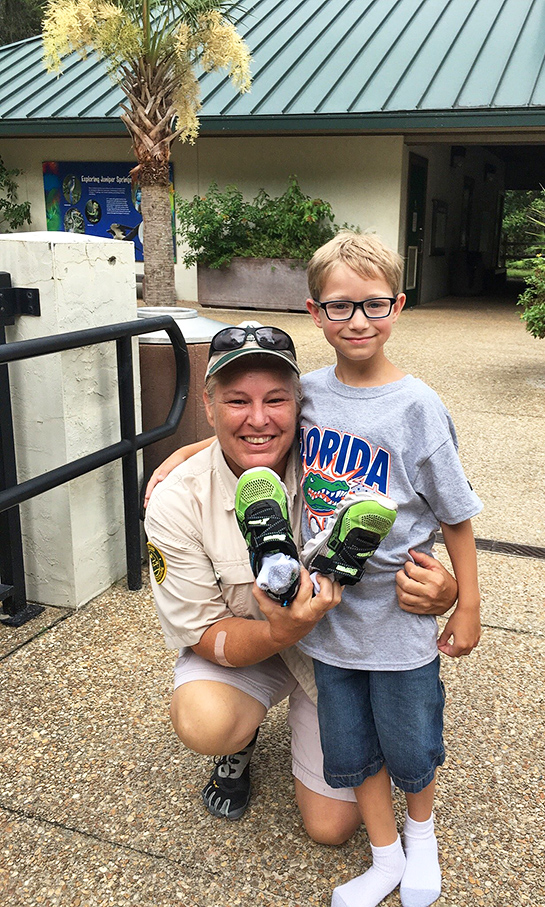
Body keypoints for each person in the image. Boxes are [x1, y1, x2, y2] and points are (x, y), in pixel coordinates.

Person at [144, 322, 460, 846]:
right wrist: (280, 633)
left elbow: (418, 503)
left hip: (333, 655)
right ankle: (239, 741)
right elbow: (201, 633)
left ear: (302, 403)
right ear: (208, 404)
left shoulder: (338, 456)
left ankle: (319, 715)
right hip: (248, 642)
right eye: (236, 401)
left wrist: (446, 593)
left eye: (276, 400)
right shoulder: (177, 501)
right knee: (206, 720)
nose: (258, 419)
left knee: (331, 829)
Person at [294, 231, 483, 907]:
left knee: (410, 742)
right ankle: (384, 857)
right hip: (330, 613)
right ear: (314, 313)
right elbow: (246, 434)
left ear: (398, 305)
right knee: (352, 745)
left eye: (373, 305)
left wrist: (466, 603)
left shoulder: (418, 407)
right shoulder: (305, 393)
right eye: (339, 307)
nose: (357, 322)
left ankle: (421, 838)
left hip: (403, 615)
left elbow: (456, 515)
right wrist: (178, 455)